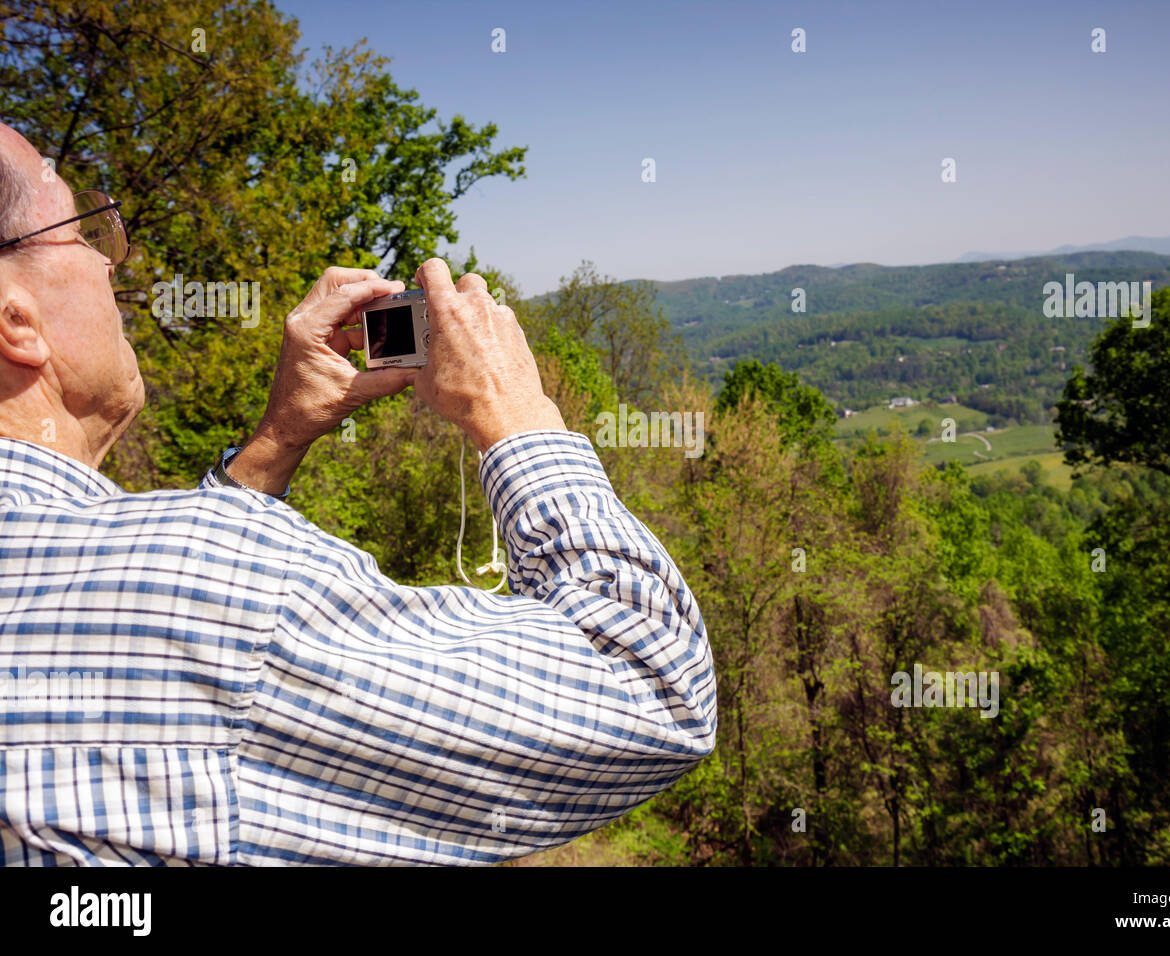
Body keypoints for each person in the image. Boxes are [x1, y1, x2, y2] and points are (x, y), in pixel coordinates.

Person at [0, 123, 716, 865]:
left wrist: (274, 444)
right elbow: (653, 689)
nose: (110, 262)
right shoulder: (214, 593)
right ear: (15, 320)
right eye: (81, 230)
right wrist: (517, 416)